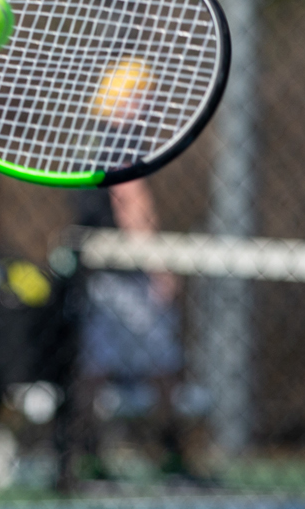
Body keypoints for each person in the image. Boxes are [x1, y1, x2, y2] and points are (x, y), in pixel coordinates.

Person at [63, 181, 194, 485]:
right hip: (126, 276)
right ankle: (169, 455)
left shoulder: (83, 151)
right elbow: (131, 200)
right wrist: (158, 266)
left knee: (95, 371)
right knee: (161, 371)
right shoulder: (120, 149)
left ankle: (86, 456)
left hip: (99, 272)